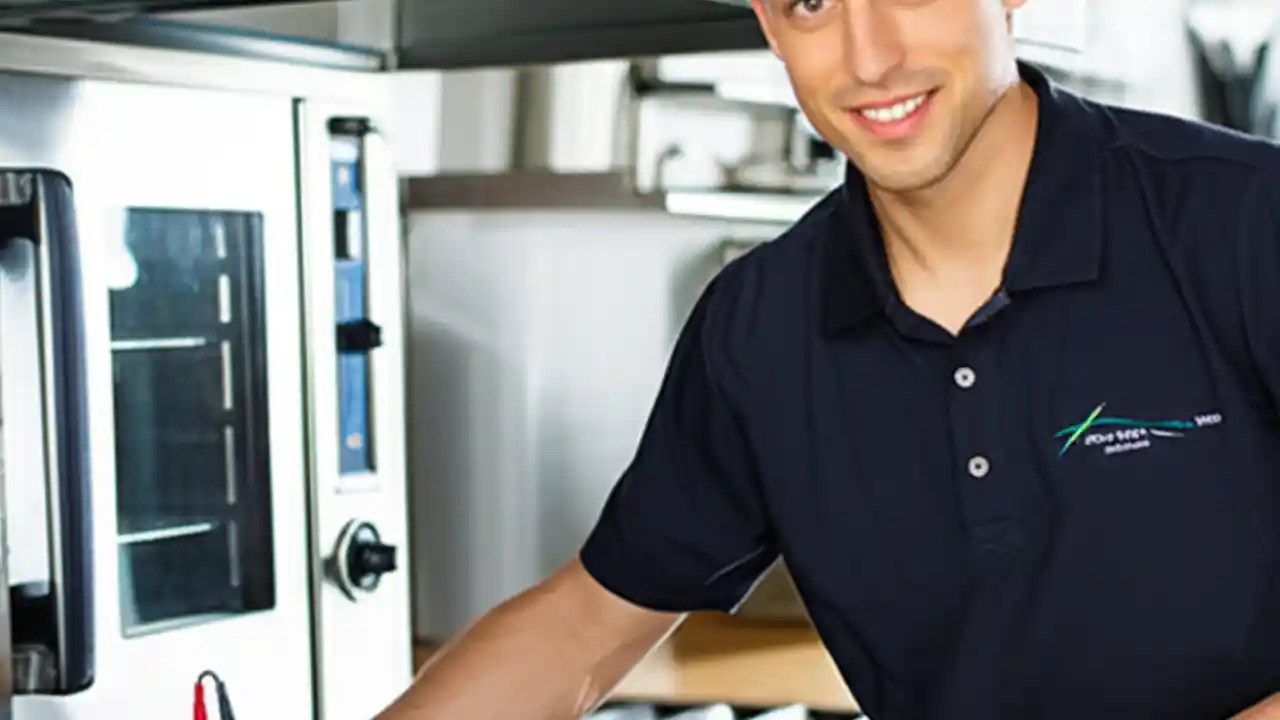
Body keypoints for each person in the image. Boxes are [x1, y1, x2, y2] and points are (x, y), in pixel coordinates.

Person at [376, 1, 1280, 718]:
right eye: (813, 4)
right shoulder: (762, 327)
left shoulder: (1242, 223)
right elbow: (584, 626)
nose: (870, 57)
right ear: (769, 22)